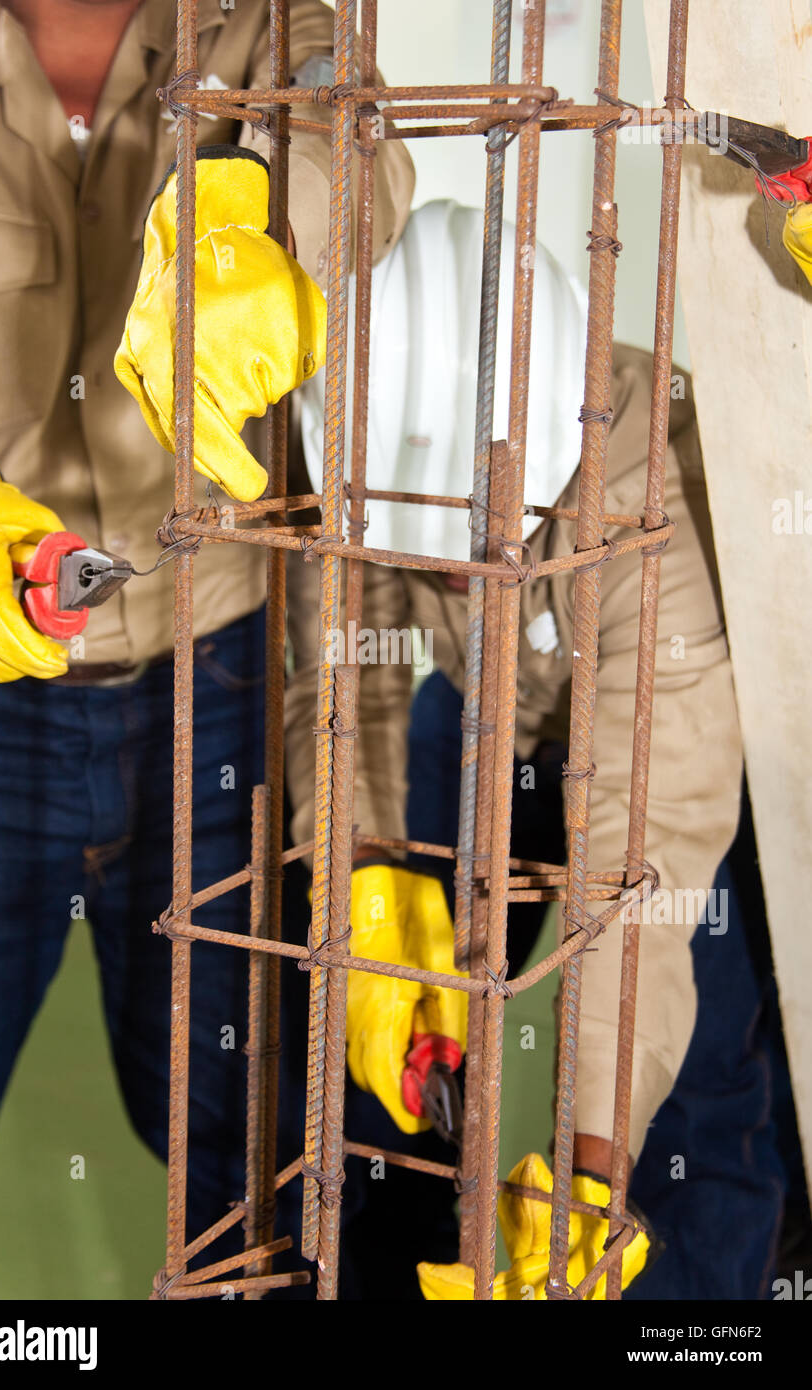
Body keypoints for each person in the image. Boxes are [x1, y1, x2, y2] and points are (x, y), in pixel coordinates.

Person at [0, 0, 414, 1285]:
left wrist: (257, 225)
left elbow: (363, 141)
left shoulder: (265, 17)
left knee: (255, 1153)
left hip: (216, 676)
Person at [289, 199, 755, 1297]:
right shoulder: (356, 428)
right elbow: (344, 680)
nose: (447, 580)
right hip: (489, 711)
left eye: (464, 553)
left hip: (655, 738)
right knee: (388, 1043)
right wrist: (362, 882)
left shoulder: (656, 494)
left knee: (691, 1088)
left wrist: (590, 1172)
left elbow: (639, 861)